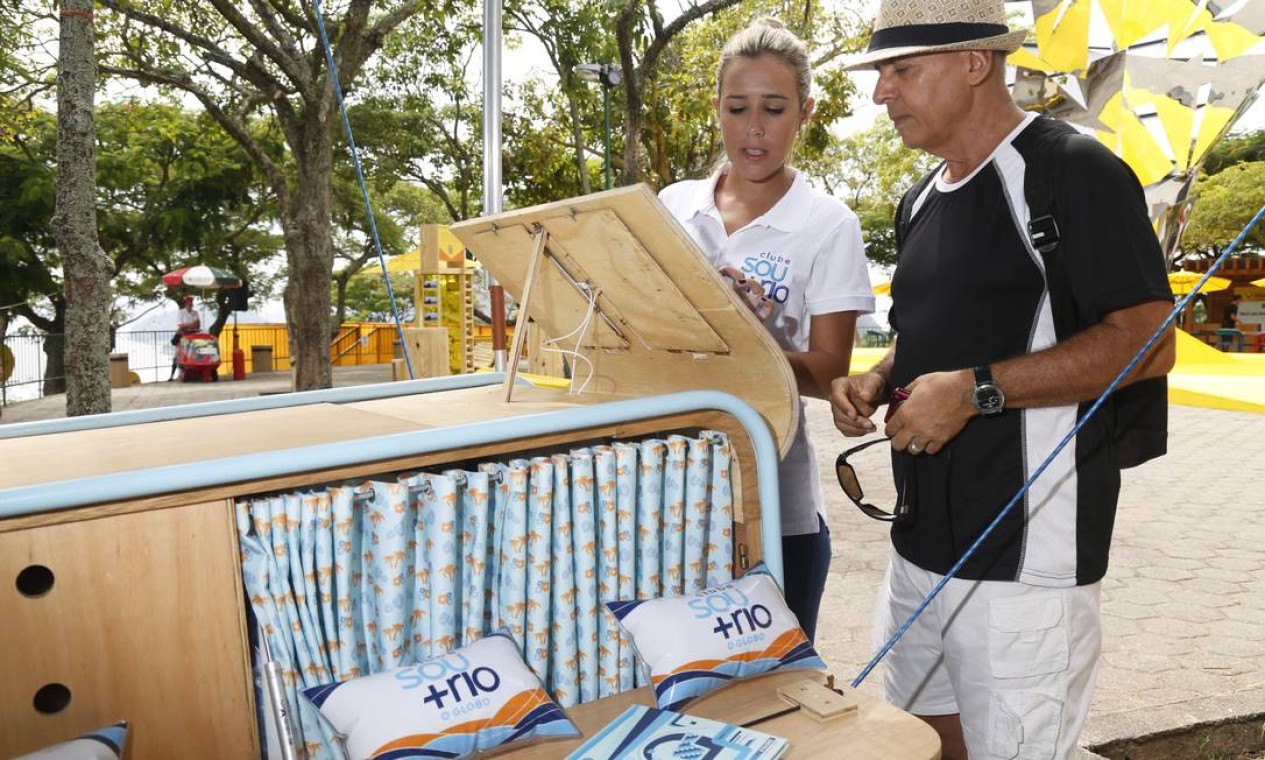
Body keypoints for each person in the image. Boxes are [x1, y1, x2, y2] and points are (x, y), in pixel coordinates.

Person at [829, 1, 1175, 758]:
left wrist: (977, 390)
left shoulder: (1069, 170)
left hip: (1025, 561)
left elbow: (1148, 343)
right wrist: (876, 374)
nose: (881, 93)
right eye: (881, 72)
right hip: (918, 546)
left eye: (900, 70)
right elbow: (935, 334)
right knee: (920, 740)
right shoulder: (919, 197)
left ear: (973, 62)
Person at [658, 17, 874, 641]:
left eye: (774, 109)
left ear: (804, 112)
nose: (754, 127)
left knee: (778, 695)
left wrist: (747, 339)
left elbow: (830, 371)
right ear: (716, 108)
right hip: (671, 502)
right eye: (737, 107)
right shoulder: (673, 206)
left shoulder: (828, 223)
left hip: (775, 507)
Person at [169, 296, 201, 380]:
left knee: (194, 352)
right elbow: (180, 325)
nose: (190, 305)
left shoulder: (195, 312)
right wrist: (191, 324)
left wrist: (188, 325)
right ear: (186, 304)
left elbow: (197, 324)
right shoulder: (181, 312)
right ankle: (172, 375)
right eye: (189, 303)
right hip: (183, 334)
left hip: (193, 334)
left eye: (191, 303)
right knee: (178, 354)